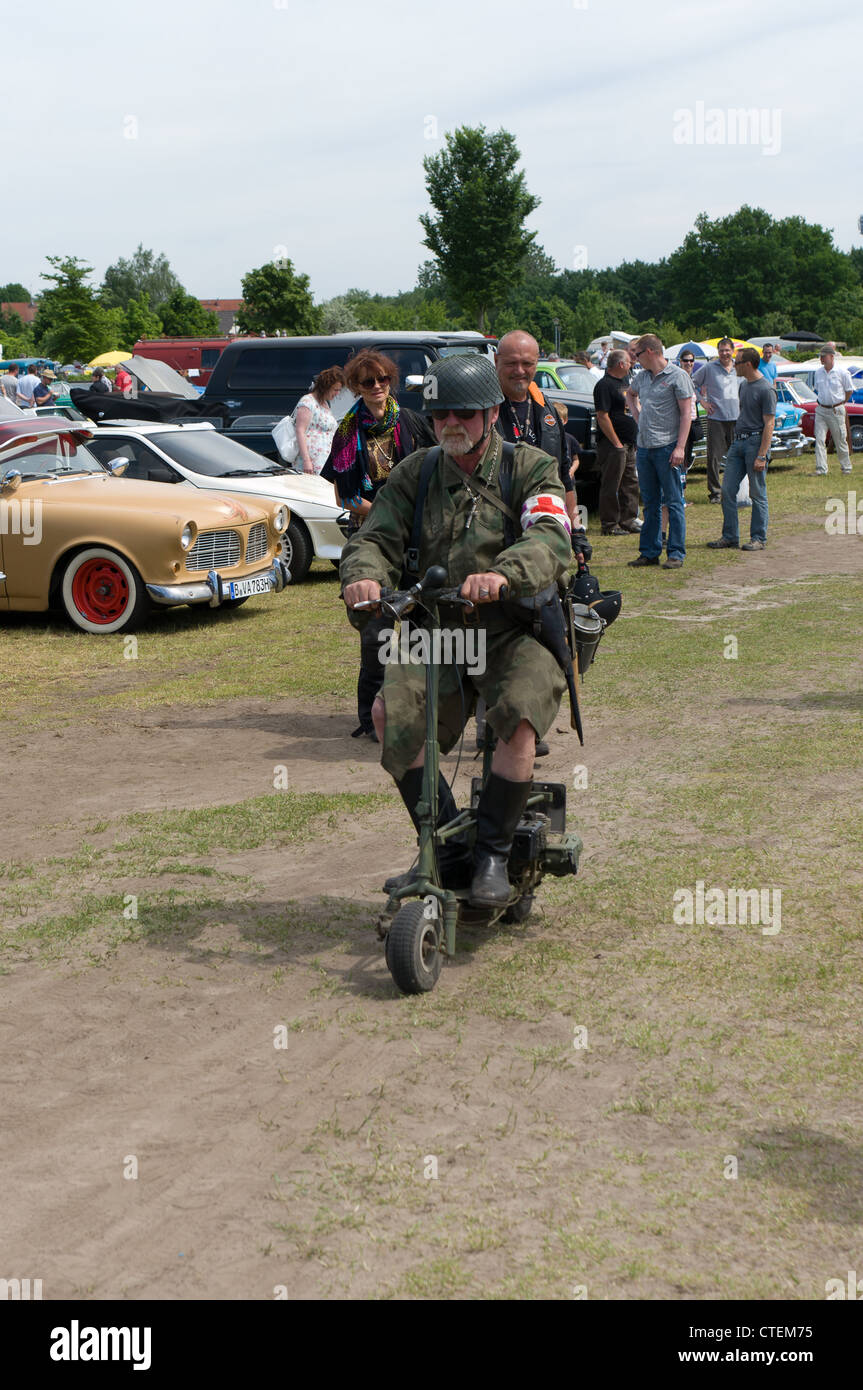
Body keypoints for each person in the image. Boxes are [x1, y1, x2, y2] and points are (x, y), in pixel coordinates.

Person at [340, 354, 572, 907]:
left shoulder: (531, 467)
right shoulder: (415, 472)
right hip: (440, 629)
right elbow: (373, 538)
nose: (451, 423)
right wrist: (365, 578)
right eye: (441, 411)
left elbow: (550, 535)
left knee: (518, 715)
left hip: (513, 630)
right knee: (388, 713)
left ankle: (492, 854)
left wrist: (504, 574)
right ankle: (447, 851)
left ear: (491, 412)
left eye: (464, 413)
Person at [321, 351, 432, 741]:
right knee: (378, 634)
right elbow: (345, 498)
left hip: (417, 539)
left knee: (424, 628)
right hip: (370, 539)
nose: (377, 387)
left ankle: (421, 709)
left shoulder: (414, 423)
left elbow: (436, 473)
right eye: (367, 382)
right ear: (355, 387)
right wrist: (389, 514)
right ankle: (371, 718)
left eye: (383, 378)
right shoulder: (347, 433)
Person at [493, 330, 590, 557]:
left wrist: (576, 529)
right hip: (497, 537)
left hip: (544, 535)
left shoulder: (546, 410)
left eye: (527, 363)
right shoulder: (481, 412)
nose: (519, 371)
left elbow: (564, 476)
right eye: (511, 363)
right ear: (496, 361)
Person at [624, 335, 693, 570]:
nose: (635, 359)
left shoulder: (678, 376)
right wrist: (638, 417)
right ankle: (650, 552)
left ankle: (675, 552)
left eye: (638, 354)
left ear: (651, 352)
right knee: (651, 503)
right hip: (645, 448)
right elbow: (629, 394)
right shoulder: (642, 377)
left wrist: (680, 447)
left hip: (667, 447)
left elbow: (686, 414)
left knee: (674, 502)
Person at [707, 348, 775, 551]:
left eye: (737, 362)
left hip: (755, 443)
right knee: (727, 490)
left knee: (757, 493)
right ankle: (730, 536)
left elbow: (769, 424)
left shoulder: (766, 389)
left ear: (747, 364)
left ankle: (759, 538)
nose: (733, 365)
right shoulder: (744, 386)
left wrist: (762, 455)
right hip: (739, 442)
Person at [593, 349, 640, 535]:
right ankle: (610, 524)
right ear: (620, 364)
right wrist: (616, 443)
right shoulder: (604, 385)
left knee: (630, 482)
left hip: (629, 443)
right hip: (613, 444)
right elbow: (602, 416)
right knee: (612, 483)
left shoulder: (626, 383)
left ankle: (628, 519)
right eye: (629, 362)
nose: (631, 365)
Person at [692, 338, 739, 502]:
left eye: (727, 350)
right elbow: (691, 384)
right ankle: (715, 492)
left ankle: (736, 490)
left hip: (737, 418)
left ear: (732, 350)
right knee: (714, 458)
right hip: (716, 419)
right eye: (721, 350)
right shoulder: (709, 368)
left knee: (737, 456)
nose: (724, 353)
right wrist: (702, 401)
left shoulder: (739, 368)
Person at [292, 366, 346, 475]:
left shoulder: (325, 404)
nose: (337, 393)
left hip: (325, 461)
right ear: (326, 386)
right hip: (311, 463)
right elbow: (300, 431)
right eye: (335, 390)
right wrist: (307, 461)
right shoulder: (307, 402)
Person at [813, 345, 852, 476]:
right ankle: (821, 469)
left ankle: (846, 467)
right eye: (820, 357)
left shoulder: (842, 372)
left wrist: (840, 404)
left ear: (832, 357)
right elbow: (817, 389)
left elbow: (849, 390)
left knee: (840, 439)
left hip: (836, 409)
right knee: (819, 439)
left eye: (823, 356)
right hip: (821, 409)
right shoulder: (818, 372)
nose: (821, 359)